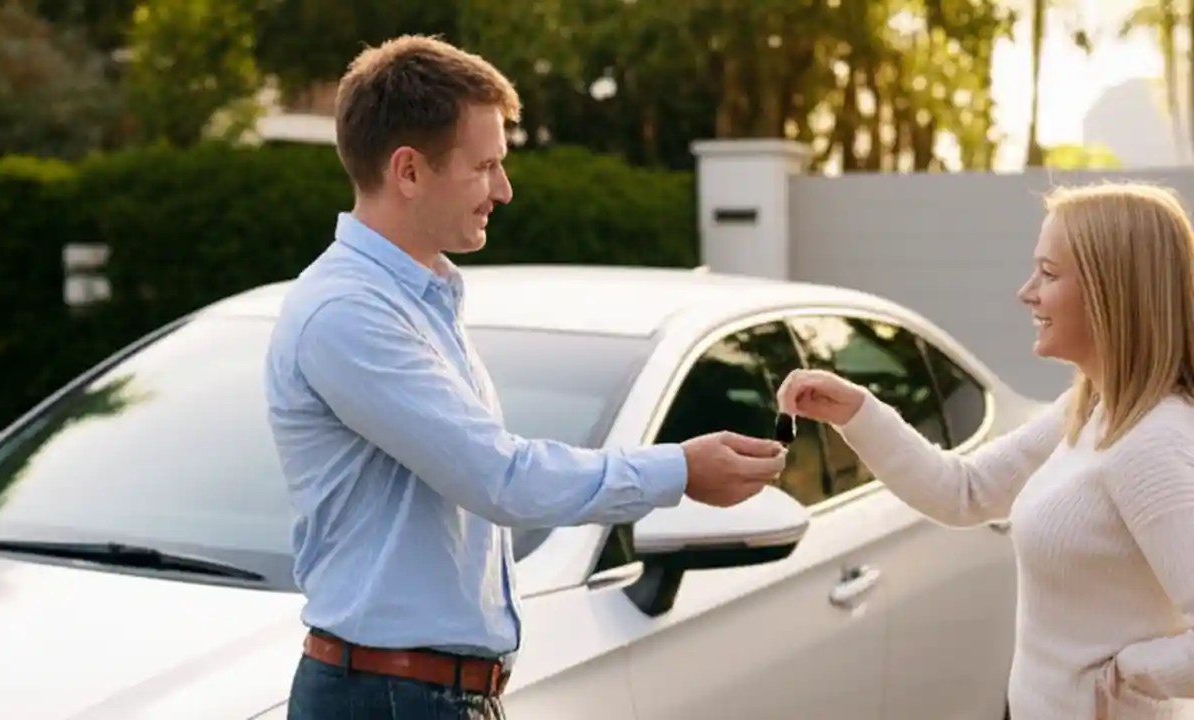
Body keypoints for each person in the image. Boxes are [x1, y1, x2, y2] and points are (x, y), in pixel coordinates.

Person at [263, 35, 788, 720]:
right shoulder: (347, 314)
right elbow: (501, 478)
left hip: (416, 693)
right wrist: (681, 471)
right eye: (485, 166)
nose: (503, 191)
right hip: (389, 698)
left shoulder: (418, 299)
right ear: (409, 171)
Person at [776, 181, 1194, 719]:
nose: (1027, 292)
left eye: (1049, 274)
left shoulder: (1155, 442)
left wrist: (1133, 671)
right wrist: (855, 411)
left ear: (1112, 290)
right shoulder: (1092, 408)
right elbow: (964, 492)